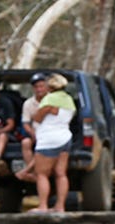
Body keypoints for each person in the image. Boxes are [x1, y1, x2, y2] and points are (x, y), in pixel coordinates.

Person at [28, 73, 75, 214]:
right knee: (61, 173)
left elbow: (37, 118)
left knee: (41, 173)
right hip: (65, 137)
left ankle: (43, 206)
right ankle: (60, 206)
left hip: (49, 139)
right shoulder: (69, 99)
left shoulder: (49, 99)